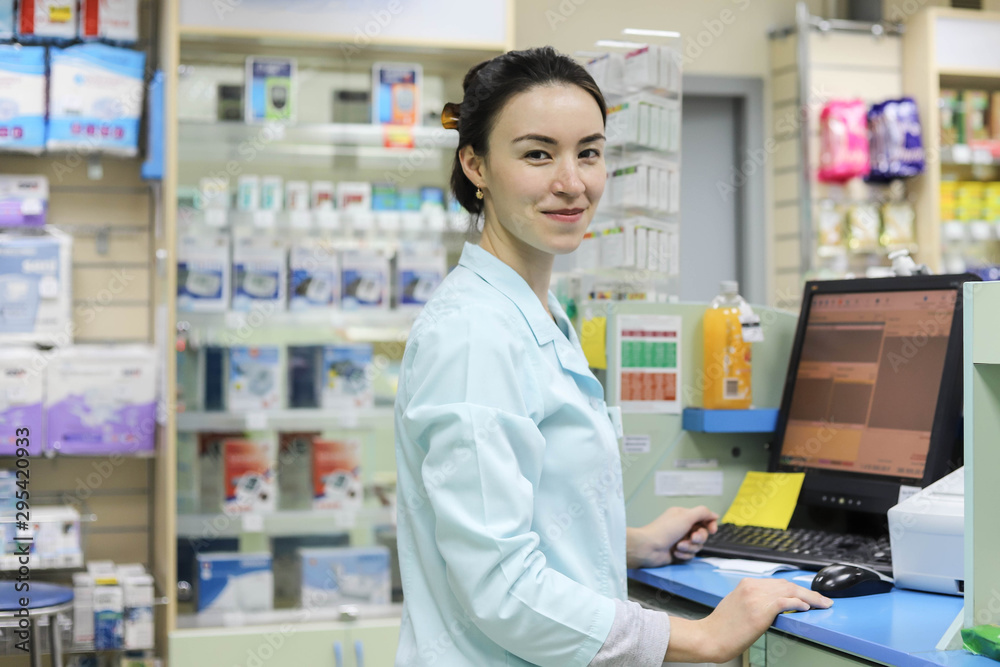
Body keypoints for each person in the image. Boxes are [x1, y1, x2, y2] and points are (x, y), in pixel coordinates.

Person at [393, 46, 832, 666]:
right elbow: (503, 589)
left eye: (589, 152)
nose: (572, 182)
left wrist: (628, 544)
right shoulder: (474, 336)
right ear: (476, 164)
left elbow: (509, 518)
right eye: (538, 153)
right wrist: (702, 637)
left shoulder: (539, 314)